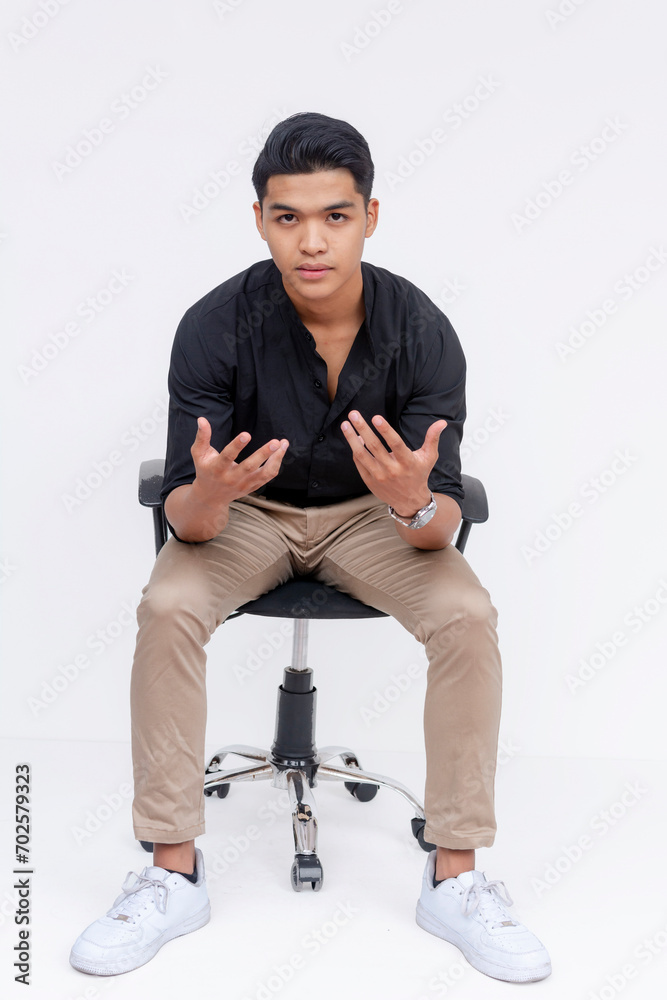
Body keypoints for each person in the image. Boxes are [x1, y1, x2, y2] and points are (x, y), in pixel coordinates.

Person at [70, 112, 551, 983]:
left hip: (376, 517)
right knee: (168, 603)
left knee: (468, 615)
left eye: (335, 215)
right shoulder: (215, 324)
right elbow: (186, 515)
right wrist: (208, 494)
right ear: (260, 219)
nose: (312, 240)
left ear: (370, 216)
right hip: (245, 511)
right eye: (288, 217)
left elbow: (442, 518)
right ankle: (170, 870)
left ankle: (455, 876)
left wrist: (413, 504)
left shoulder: (421, 329)